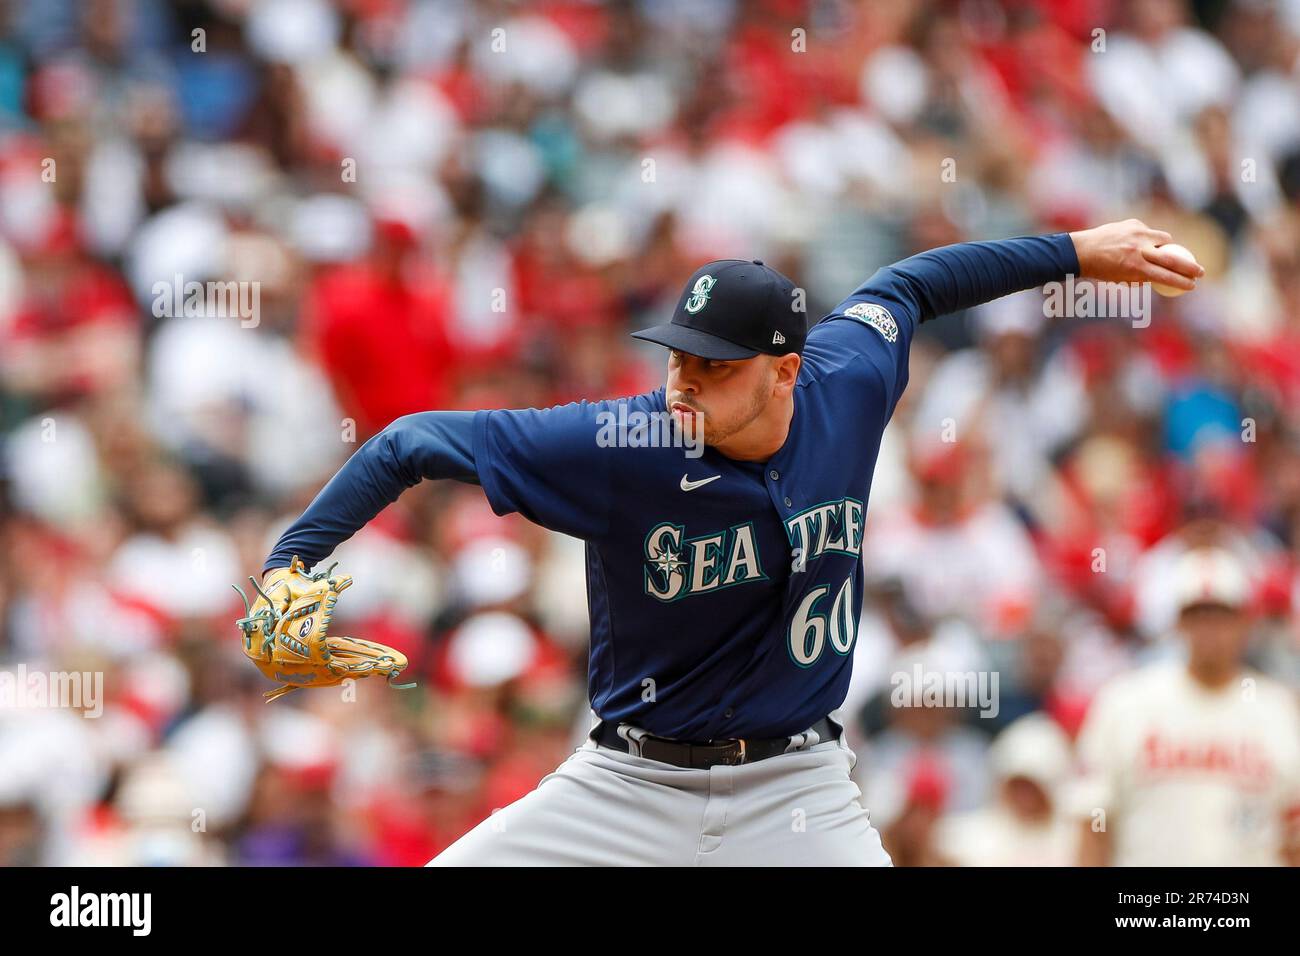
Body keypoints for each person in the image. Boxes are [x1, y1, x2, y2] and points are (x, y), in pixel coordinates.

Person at [255, 219, 1201, 865]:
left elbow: (917, 282)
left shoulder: (849, 381)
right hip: (625, 784)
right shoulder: (621, 442)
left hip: (797, 786)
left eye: (713, 366)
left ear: (787, 371)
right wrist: (290, 562)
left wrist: (1077, 252)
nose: (682, 384)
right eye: (677, 356)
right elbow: (410, 442)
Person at [1074, 546, 1300, 866]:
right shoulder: (1126, 702)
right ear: (1179, 622)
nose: (1210, 629)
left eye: (1222, 615)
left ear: (1246, 622)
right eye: (1198, 615)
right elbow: (1093, 821)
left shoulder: (1279, 709)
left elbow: (1293, 833)